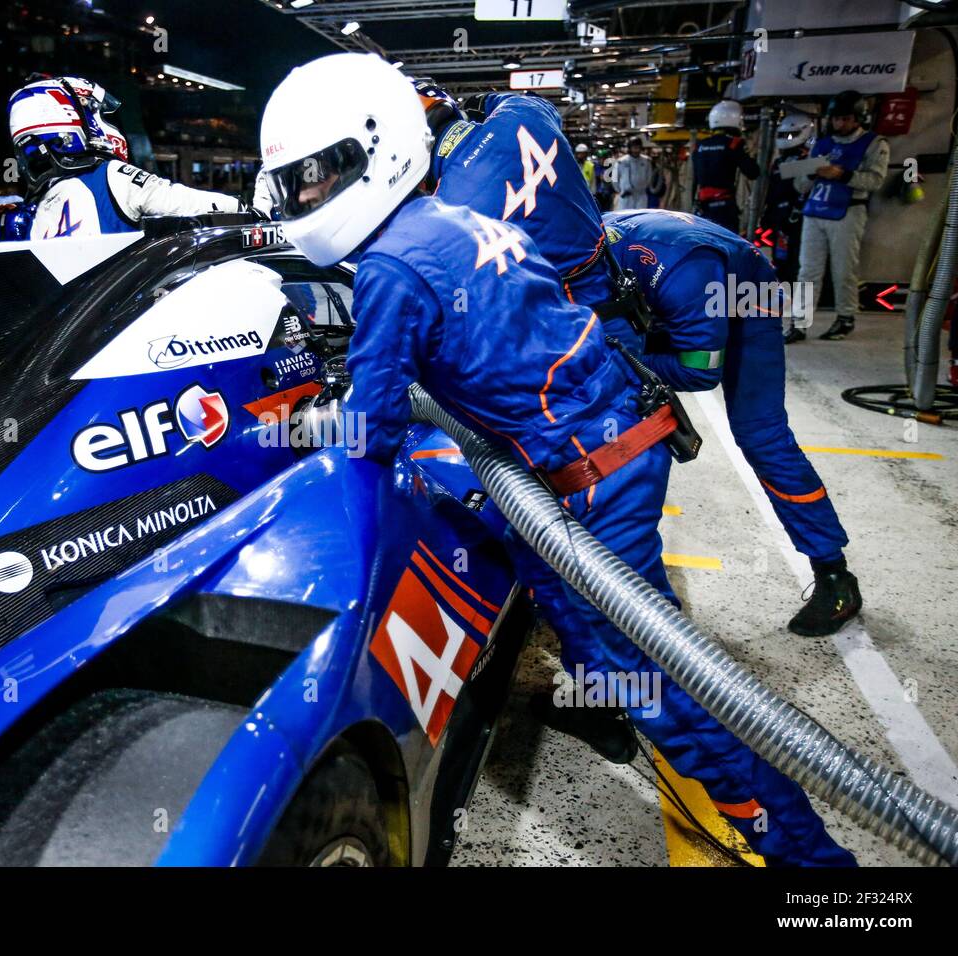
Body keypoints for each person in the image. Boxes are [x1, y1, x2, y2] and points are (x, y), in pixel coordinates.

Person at [261, 51, 854, 866]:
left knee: (669, 691)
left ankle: (808, 861)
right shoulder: (462, 218)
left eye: (317, 176)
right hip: (613, 439)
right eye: (293, 183)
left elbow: (374, 430)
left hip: (591, 472)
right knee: (569, 609)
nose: (304, 199)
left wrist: (297, 427)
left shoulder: (392, 269)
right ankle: (607, 704)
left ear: (376, 150)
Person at [605, 208, 861, 637]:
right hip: (671, 289)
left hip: (745, 298)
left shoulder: (683, 267)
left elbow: (699, 371)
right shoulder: (577, 247)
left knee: (761, 435)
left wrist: (618, 359)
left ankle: (834, 574)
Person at [421, 82, 610, 310]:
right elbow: (537, 102)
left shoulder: (446, 209)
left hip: (557, 330)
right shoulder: (524, 111)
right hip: (619, 299)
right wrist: (484, 101)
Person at [0, 75, 240, 241]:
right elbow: (181, 200)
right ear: (69, 117)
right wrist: (243, 208)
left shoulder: (29, 211)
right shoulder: (110, 176)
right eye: (95, 113)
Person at [796, 91, 890, 341]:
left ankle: (845, 317)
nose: (841, 124)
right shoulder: (822, 144)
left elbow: (876, 180)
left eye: (846, 119)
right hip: (815, 210)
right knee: (808, 270)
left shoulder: (874, 143)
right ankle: (799, 322)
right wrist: (811, 173)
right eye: (836, 119)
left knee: (844, 269)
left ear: (859, 118)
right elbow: (799, 184)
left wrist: (843, 175)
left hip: (848, 211)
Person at [765, 111, 817, 343]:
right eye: (784, 135)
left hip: (804, 224)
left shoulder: (811, 160)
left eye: (792, 134)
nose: (787, 139)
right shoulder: (779, 162)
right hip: (782, 223)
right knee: (783, 271)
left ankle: (800, 323)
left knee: (801, 273)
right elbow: (773, 191)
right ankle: (784, 317)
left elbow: (804, 186)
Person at [692, 99, 760, 234]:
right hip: (723, 207)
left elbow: (695, 179)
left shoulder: (699, 146)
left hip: (702, 206)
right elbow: (753, 172)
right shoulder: (733, 144)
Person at [614, 136, 654, 211]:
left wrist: (644, 186)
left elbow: (649, 177)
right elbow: (615, 178)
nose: (636, 149)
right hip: (626, 195)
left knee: (640, 217)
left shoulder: (646, 161)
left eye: (638, 147)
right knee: (625, 217)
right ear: (630, 148)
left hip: (641, 195)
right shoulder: (621, 161)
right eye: (634, 147)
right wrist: (620, 190)